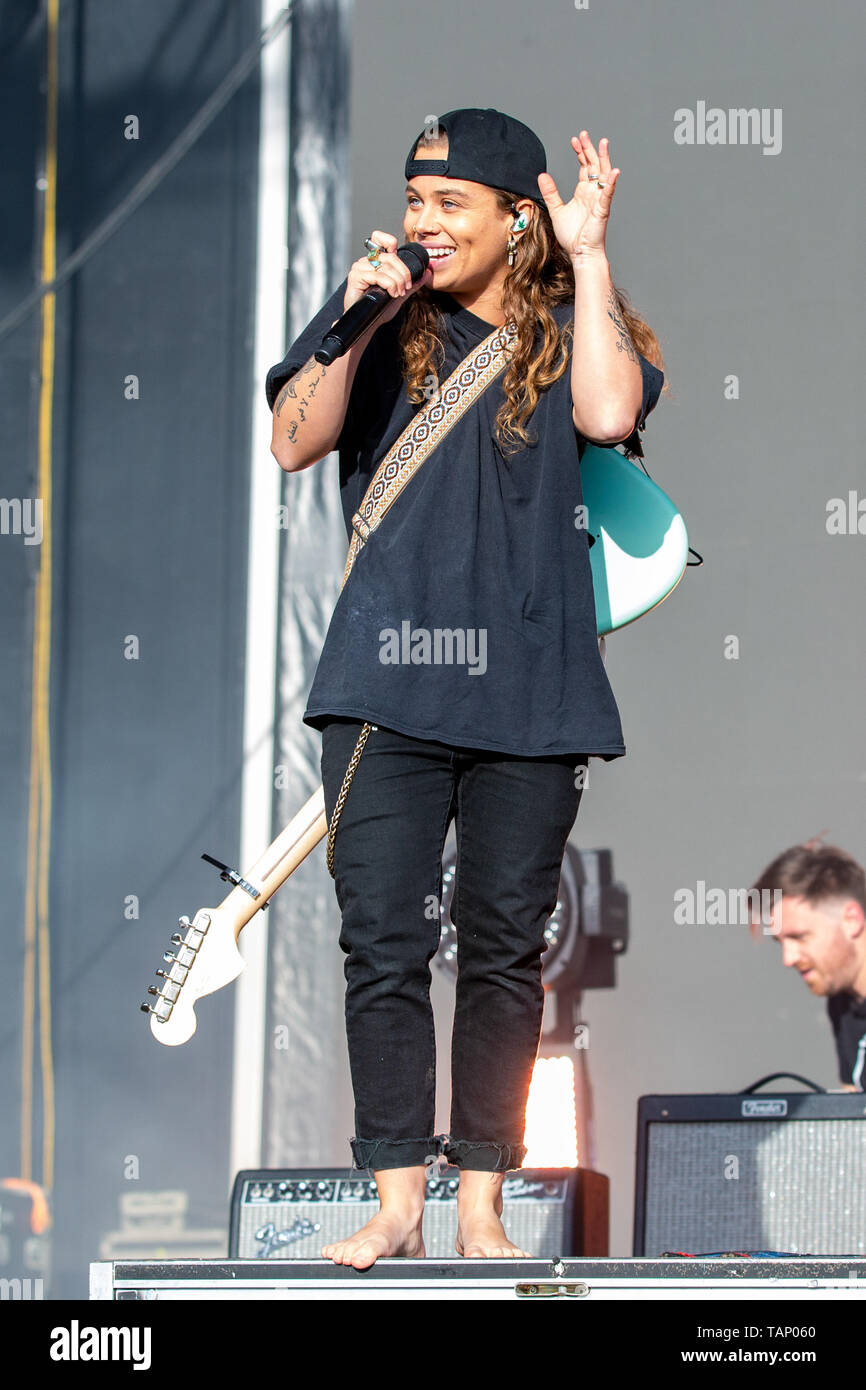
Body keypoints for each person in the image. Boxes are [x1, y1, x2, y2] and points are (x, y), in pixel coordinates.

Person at [267, 108, 666, 1268]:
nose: (421, 222)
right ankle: (394, 1198)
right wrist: (352, 319)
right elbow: (293, 441)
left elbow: (607, 412)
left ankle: (482, 1204)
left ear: (514, 218)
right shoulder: (383, 326)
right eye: (412, 199)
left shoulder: (568, 322)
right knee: (380, 940)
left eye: (449, 204)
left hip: (532, 692)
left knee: (500, 946)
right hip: (380, 690)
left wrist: (589, 257)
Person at [750, 840, 866, 1092]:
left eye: (799, 937)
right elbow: (853, 1116)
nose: (788, 958)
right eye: (780, 942)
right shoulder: (842, 1003)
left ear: (851, 920)